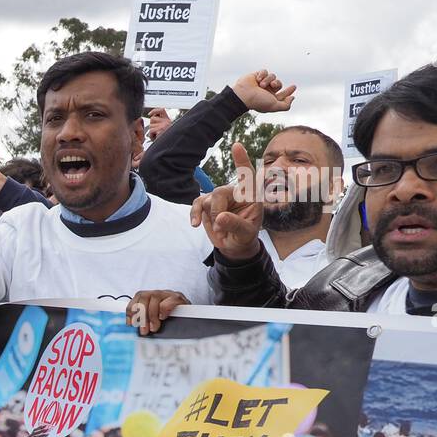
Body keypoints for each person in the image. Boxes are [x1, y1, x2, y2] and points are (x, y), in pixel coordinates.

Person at [0, 51, 215, 363]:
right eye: (54, 119)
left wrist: (195, 328)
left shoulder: (201, 234)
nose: (68, 133)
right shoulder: (18, 235)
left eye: (93, 115)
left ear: (137, 135)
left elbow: (263, 344)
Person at [131, 53, 437, 322]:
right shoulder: (341, 288)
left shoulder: (333, 264)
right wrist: (238, 257)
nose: (405, 188)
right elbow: (273, 330)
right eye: (385, 168)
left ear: (335, 189)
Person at [137, 69, 342, 287]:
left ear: (332, 187)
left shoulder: (361, 269)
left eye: (299, 161)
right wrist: (236, 99)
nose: (278, 168)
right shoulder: (215, 238)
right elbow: (161, 167)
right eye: (269, 161)